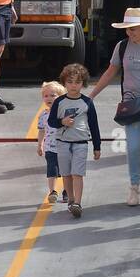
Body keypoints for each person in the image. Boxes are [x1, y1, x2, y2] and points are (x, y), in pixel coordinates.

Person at [88, 7, 140, 207]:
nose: (129, 32)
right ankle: (134, 188)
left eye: (133, 28)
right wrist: (90, 96)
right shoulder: (122, 46)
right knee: (133, 147)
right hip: (132, 103)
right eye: (127, 29)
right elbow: (110, 72)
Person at [47, 64, 102, 219]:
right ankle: (70, 199)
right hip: (62, 142)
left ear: (83, 84)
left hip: (81, 143)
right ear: (64, 83)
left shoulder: (87, 102)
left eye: (77, 82)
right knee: (66, 174)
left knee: (77, 173)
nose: (73, 85)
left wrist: (97, 146)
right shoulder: (59, 102)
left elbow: (94, 125)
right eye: (70, 82)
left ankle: (77, 203)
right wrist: (62, 122)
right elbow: (51, 121)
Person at [35, 79, 67, 204]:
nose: (49, 98)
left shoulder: (63, 113)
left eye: (53, 95)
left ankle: (67, 192)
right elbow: (41, 131)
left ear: (61, 97)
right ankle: (52, 191)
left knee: (66, 172)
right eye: (46, 96)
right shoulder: (43, 115)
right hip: (50, 148)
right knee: (51, 171)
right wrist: (40, 145)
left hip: (64, 147)